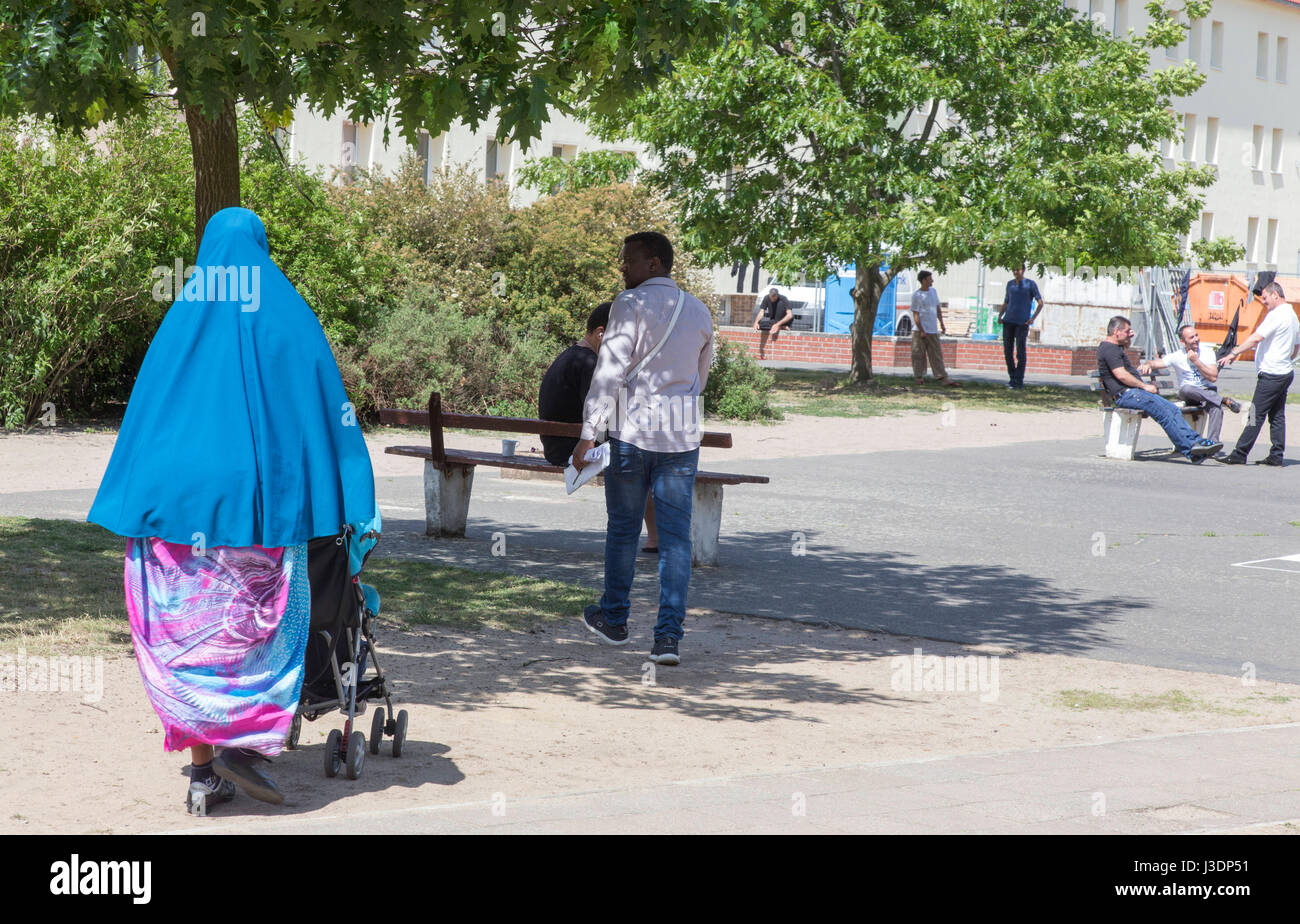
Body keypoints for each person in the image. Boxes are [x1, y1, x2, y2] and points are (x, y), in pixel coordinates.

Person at [88, 207, 376, 813]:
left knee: (191, 640)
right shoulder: (292, 316)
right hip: (263, 518)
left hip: (175, 521)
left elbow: (148, 415)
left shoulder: (182, 318)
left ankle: (203, 773)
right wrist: (355, 501)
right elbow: (330, 411)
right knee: (253, 629)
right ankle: (241, 745)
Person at [573, 231, 713, 666]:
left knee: (623, 529)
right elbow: (701, 377)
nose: (622, 267)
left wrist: (588, 432)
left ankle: (614, 618)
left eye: (628, 260)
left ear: (654, 263)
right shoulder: (700, 310)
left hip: (631, 431)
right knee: (675, 540)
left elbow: (609, 372)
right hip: (682, 436)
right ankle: (668, 638)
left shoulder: (628, 304)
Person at [538, 302, 658, 550]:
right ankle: (657, 537)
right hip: (571, 451)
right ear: (601, 333)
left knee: (636, 455)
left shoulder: (571, 355)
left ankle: (656, 536)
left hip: (556, 444)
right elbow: (600, 414)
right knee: (639, 459)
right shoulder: (590, 363)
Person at [1096, 315, 1222, 462]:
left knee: (1172, 409)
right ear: (1117, 331)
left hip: (1134, 393)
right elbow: (1121, 375)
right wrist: (1144, 386)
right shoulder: (1109, 349)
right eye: (1127, 331)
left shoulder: (1113, 348)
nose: (1131, 334)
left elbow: (1123, 352)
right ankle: (1192, 448)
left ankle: (1196, 445)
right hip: (1128, 395)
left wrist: (1127, 338)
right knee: (1163, 413)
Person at [1217, 281, 1299, 465]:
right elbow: (1296, 347)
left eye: (1265, 298)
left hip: (1271, 374)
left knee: (1255, 413)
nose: (1264, 302)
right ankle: (1276, 455)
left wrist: (1234, 352)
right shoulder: (1292, 315)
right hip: (1284, 372)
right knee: (1277, 415)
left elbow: (1256, 337)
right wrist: (1285, 358)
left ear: (1275, 295)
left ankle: (1239, 453)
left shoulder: (1276, 315)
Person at [1143, 324, 1241, 442]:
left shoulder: (1207, 352)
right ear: (1183, 342)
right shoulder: (1177, 356)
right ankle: (1222, 400)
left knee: (1216, 408)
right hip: (1189, 394)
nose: (1196, 339)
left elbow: (1213, 377)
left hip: (1206, 393)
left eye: (1196, 335)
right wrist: (1148, 364)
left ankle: (1212, 443)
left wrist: (1196, 361)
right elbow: (1157, 363)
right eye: (1191, 337)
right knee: (1186, 389)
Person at [998, 264, 1044, 389]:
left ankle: (1019, 381)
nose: (1015, 272)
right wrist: (1000, 315)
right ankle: (1012, 378)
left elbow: (1040, 303)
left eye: (1017, 269)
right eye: (1013, 269)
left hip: (1022, 323)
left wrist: (1032, 318)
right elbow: (1006, 301)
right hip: (1008, 321)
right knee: (1008, 351)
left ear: (1023, 270)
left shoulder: (1030, 284)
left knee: (1020, 351)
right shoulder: (1010, 284)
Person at [910, 270, 958, 386]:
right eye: (930, 279)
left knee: (936, 354)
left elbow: (937, 308)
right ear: (924, 280)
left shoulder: (933, 292)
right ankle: (919, 377)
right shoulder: (917, 295)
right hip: (920, 331)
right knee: (918, 354)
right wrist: (921, 330)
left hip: (932, 330)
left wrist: (941, 323)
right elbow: (915, 314)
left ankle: (942, 378)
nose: (932, 281)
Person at [752, 286, 793, 358]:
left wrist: (778, 324)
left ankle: (781, 326)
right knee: (760, 325)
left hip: (784, 320)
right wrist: (756, 322)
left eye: (774, 298)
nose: (772, 299)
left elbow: (790, 315)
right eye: (771, 298)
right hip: (773, 321)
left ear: (777, 295)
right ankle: (780, 326)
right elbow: (762, 311)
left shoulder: (783, 299)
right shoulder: (766, 298)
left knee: (776, 318)